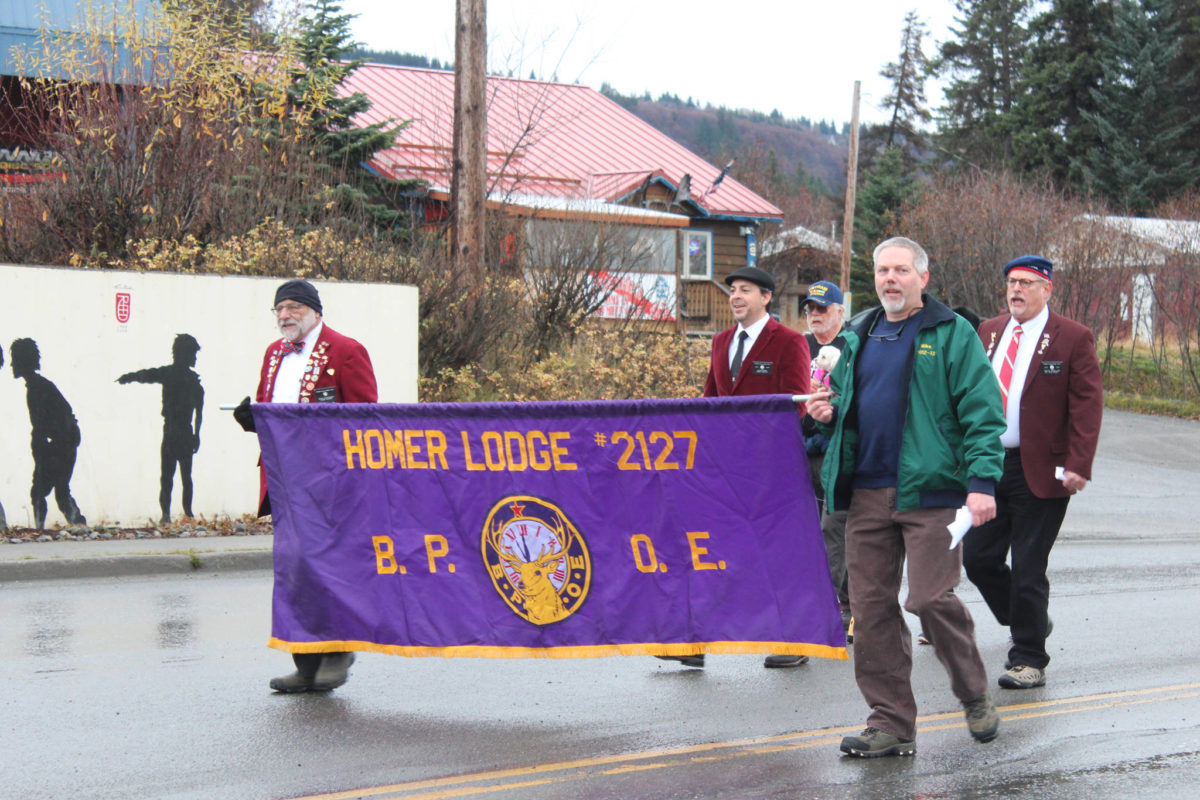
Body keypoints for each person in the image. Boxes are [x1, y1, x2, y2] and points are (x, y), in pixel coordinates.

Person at [807, 236, 1005, 758]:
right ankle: (890, 723)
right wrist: (828, 414)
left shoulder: (951, 332)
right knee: (870, 611)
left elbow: (983, 414)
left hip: (931, 493)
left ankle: (973, 690)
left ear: (923, 277)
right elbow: (846, 407)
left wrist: (983, 484)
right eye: (882, 271)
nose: (890, 279)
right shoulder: (858, 334)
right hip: (866, 494)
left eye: (900, 270)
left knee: (928, 598)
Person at [660, 265, 810, 670]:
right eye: (733, 291)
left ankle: (795, 638)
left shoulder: (789, 341)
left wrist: (760, 450)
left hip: (770, 469)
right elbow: (711, 401)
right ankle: (693, 642)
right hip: (723, 468)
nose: (736, 297)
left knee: (773, 556)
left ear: (766, 298)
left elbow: (796, 403)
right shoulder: (722, 341)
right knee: (711, 551)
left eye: (745, 290)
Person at [232, 279, 378, 694]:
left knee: (333, 568)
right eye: (279, 309)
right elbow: (269, 410)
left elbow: (366, 418)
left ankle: (339, 652)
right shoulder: (274, 354)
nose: (284, 316)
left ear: (315, 311)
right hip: (285, 479)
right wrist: (252, 418)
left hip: (331, 482)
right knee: (296, 572)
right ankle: (306, 663)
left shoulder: (346, 352)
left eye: (294, 307)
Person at [964, 255, 1103, 690]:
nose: (1016, 290)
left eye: (1026, 283)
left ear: (1047, 290)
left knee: (1027, 565)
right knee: (979, 559)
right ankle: (1032, 619)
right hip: (988, 464)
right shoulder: (988, 331)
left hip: (1043, 469)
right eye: (1010, 282)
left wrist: (1079, 463)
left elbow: (1086, 404)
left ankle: (1028, 657)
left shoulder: (1072, 338)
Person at [799, 281, 851, 640]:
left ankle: (839, 606)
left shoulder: (852, 347)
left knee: (834, 528)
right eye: (810, 309)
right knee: (807, 532)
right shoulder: (800, 347)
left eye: (822, 308)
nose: (815, 315)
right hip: (802, 451)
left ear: (839, 312)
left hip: (838, 450)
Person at [117, 334, 204, 524]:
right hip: (179, 431)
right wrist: (196, 435)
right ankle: (179, 513)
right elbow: (199, 413)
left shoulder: (179, 377)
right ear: (185, 354)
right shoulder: (191, 381)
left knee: (171, 475)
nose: (195, 358)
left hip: (175, 431)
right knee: (179, 476)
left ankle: (177, 513)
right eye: (193, 353)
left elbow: (148, 375)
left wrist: (129, 377)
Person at [10, 338, 86, 529]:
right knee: (57, 491)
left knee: (42, 492)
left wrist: (44, 449)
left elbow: (43, 425)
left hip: (60, 445)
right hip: (62, 443)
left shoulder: (38, 388)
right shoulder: (38, 386)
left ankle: (43, 528)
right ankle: (76, 525)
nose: (12, 364)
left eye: (15, 359)